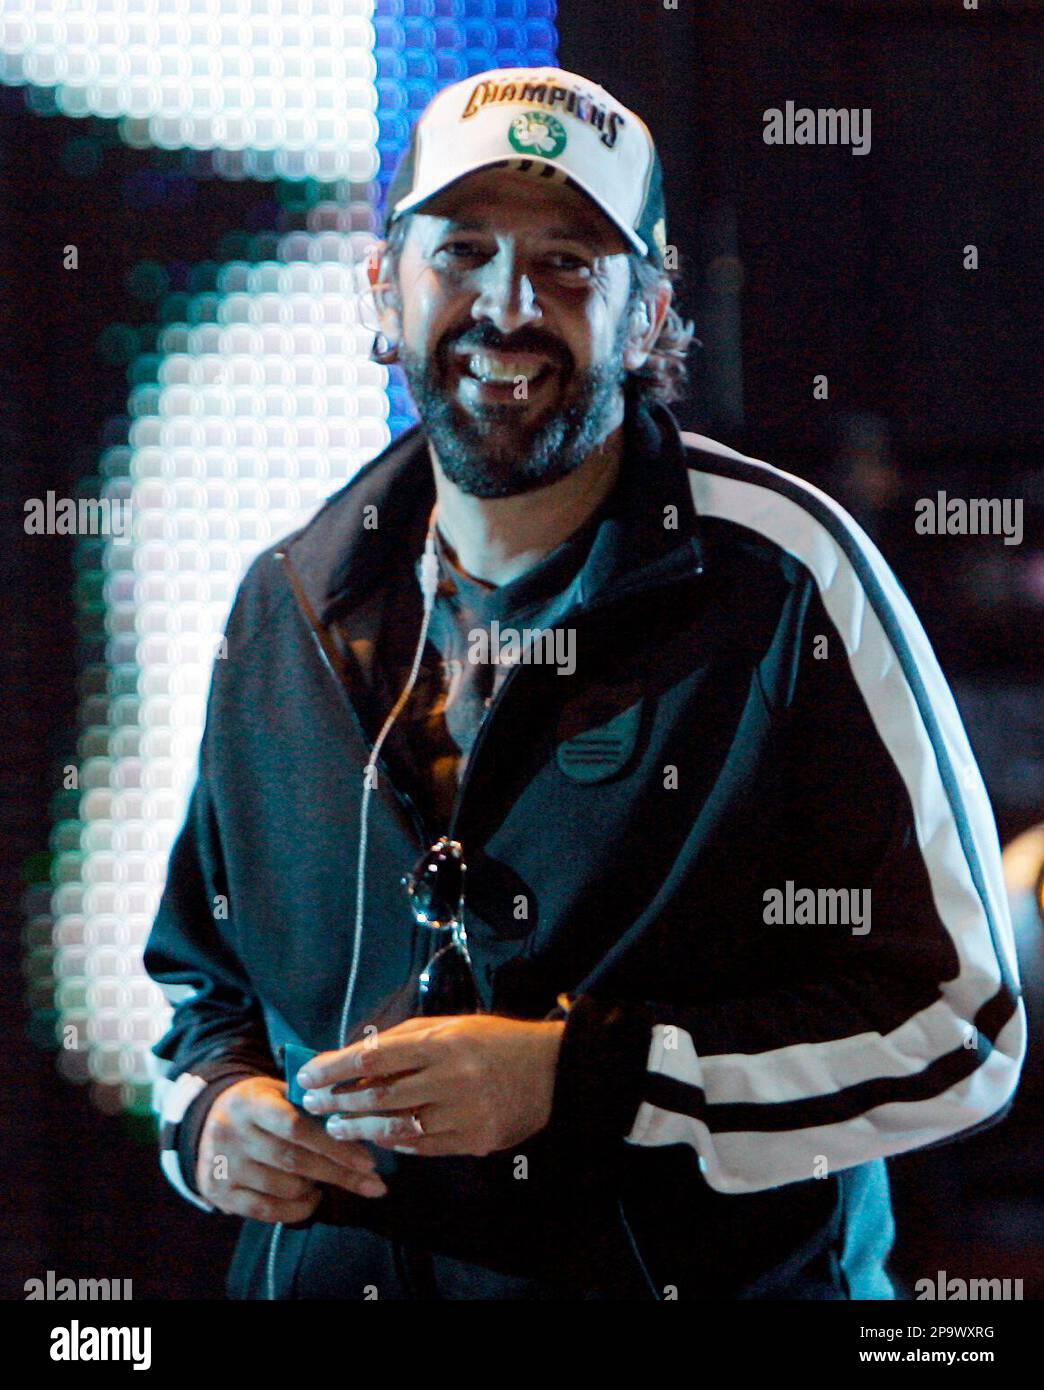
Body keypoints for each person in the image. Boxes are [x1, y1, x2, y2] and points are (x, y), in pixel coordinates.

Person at [144, 66, 1026, 1301]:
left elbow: (963, 1033)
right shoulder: (284, 600)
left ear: (651, 314)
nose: (507, 307)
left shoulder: (789, 578)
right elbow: (203, 988)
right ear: (383, 289)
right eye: (462, 252)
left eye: (568, 265)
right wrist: (213, 1118)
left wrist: (588, 1079)